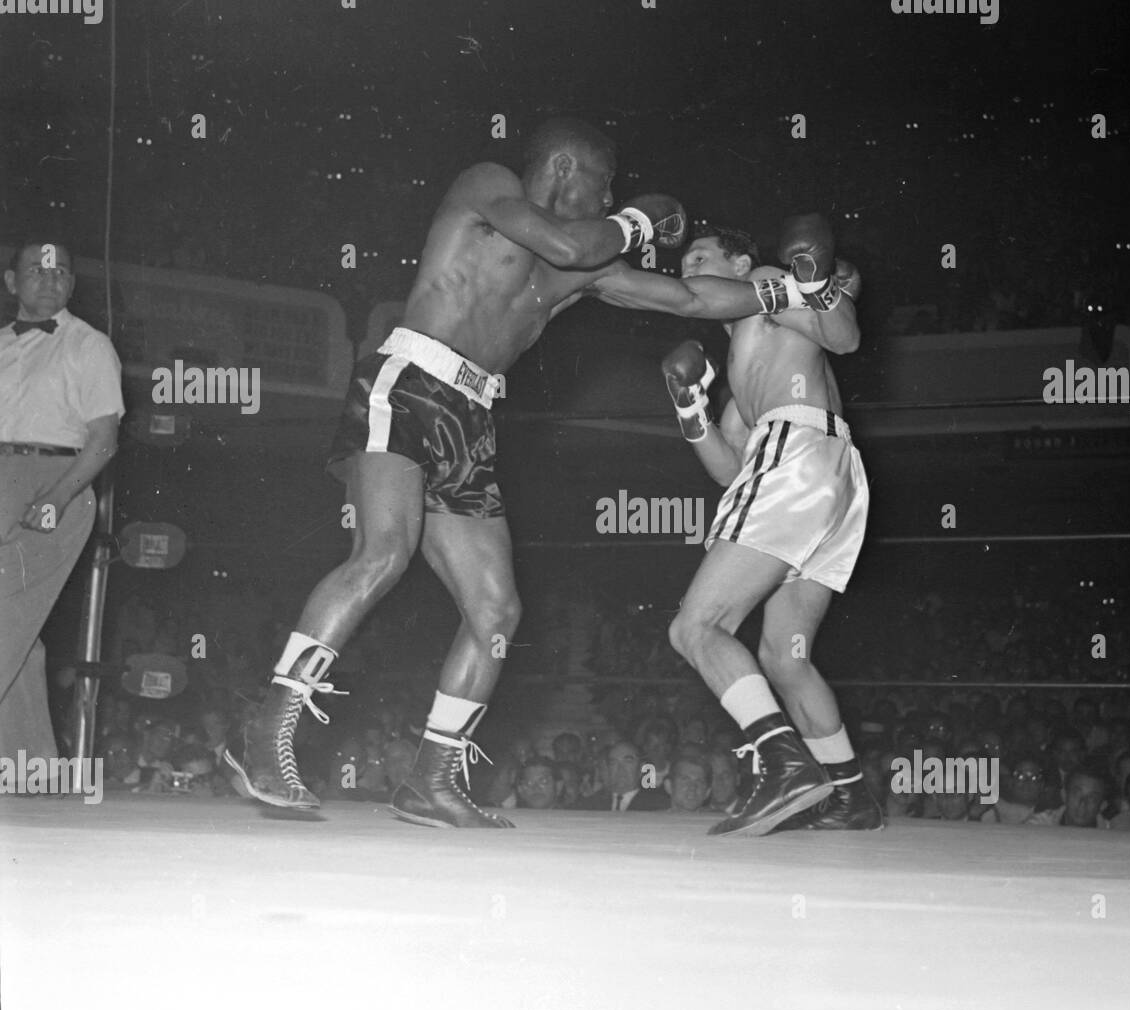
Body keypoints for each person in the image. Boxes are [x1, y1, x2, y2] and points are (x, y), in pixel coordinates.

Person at [225, 118, 834, 825]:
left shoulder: (586, 269)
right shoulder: (490, 187)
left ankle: (432, 777)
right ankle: (266, 731)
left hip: (473, 419)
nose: (611, 196)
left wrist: (789, 295)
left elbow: (691, 300)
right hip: (410, 381)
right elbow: (570, 239)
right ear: (567, 170)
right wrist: (638, 219)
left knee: (495, 610)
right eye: (605, 184)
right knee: (384, 552)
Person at [661, 217, 881, 835]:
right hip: (826, 479)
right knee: (786, 658)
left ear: (739, 265)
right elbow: (733, 470)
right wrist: (690, 409)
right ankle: (849, 795)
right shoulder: (745, 357)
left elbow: (843, 337)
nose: (688, 270)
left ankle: (784, 764)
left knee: (696, 626)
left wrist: (814, 284)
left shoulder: (765, 287)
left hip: (796, 457)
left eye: (701, 256)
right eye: (683, 265)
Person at [1, 240, 123, 760]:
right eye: (36, 270)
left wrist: (57, 495)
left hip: (59, 481)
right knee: (18, 628)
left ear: (71, 285)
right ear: (12, 283)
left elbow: (104, 439)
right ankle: (32, 768)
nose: (49, 280)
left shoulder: (89, 345)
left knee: (6, 610)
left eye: (60, 273)